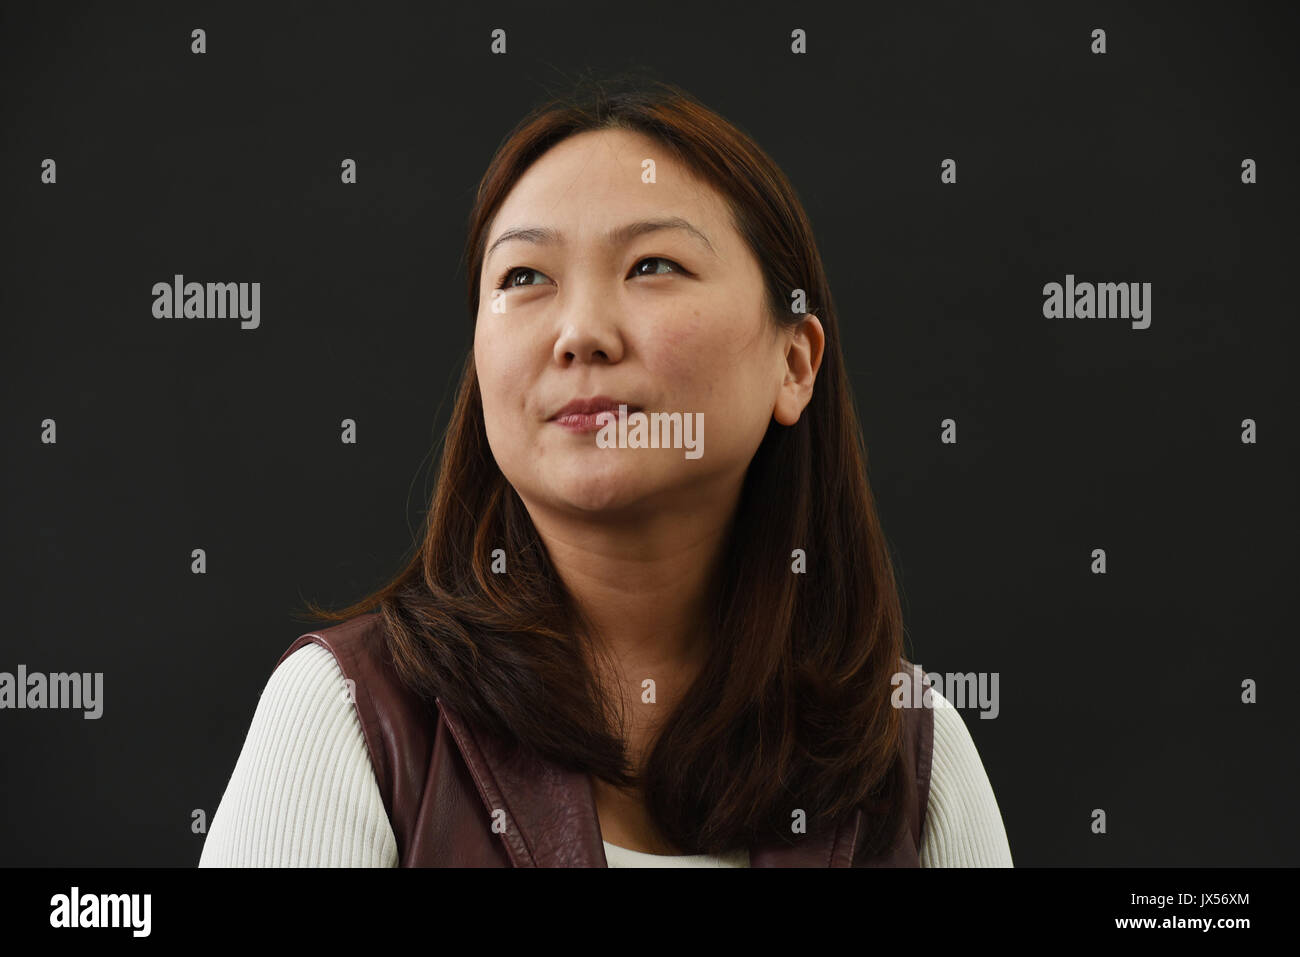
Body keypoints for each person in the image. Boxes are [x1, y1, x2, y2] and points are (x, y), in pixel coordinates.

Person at [200, 76, 1013, 867]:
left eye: (652, 266)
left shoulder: (913, 754)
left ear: (794, 363)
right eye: (525, 278)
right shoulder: (347, 715)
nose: (581, 332)